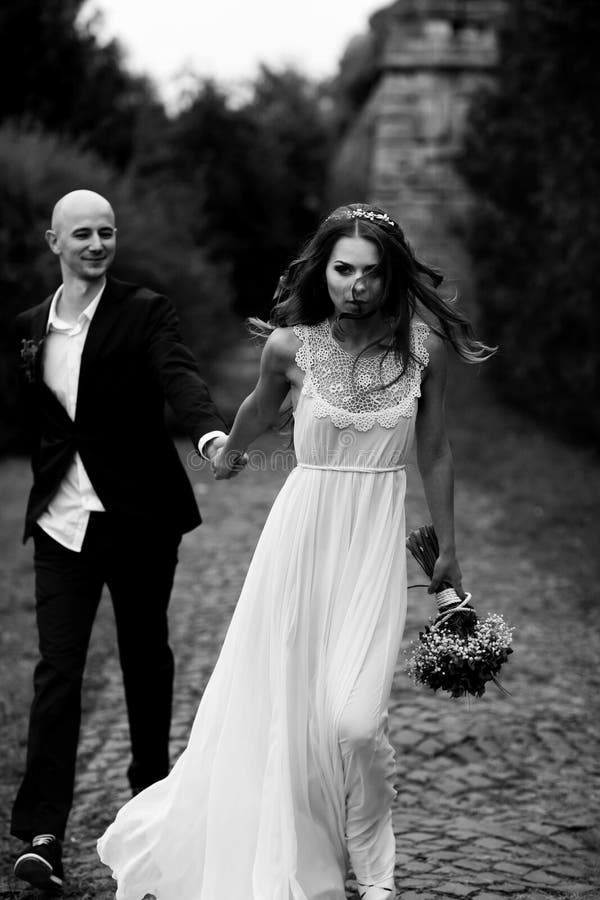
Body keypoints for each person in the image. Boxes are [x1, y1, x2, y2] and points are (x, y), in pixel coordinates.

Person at [97, 203, 493, 899]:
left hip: (371, 540)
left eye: (372, 273)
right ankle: (306, 854)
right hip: (300, 536)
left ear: (391, 276)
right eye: (344, 270)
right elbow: (257, 408)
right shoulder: (291, 347)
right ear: (326, 271)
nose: (357, 285)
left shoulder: (421, 349)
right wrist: (228, 452)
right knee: (292, 709)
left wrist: (449, 550)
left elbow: (434, 449)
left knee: (356, 722)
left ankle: (377, 872)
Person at [11, 190, 240, 892]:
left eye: (106, 232)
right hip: (62, 523)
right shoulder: (27, 327)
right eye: (81, 233)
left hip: (138, 518)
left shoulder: (145, 311)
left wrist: (206, 432)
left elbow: (179, 375)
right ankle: (44, 835)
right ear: (53, 242)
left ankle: (150, 802)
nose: (96, 244)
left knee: (146, 658)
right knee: (57, 671)